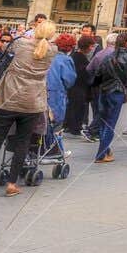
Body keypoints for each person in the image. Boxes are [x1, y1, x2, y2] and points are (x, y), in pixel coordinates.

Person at [0, 20, 57, 197]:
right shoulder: (52, 50)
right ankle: (12, 184)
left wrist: (25, 35)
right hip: (32, 102)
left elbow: (4, 51)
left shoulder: (20, 44)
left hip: (9, 98)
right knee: (23, 142)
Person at [92, 33, 127, 163]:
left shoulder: (107, 56)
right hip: (117, 91)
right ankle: (101, 153)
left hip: (104, 90)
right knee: (110, 123)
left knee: (103, 120)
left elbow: (98, 74)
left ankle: (105, 149)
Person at [43, 31, 77, 162]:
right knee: (55, 125)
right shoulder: (66, 60)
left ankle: (49, 150)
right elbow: (69, 80)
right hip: (56, 95)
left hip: (41, 93)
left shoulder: (48, 55)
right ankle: (56, 150)